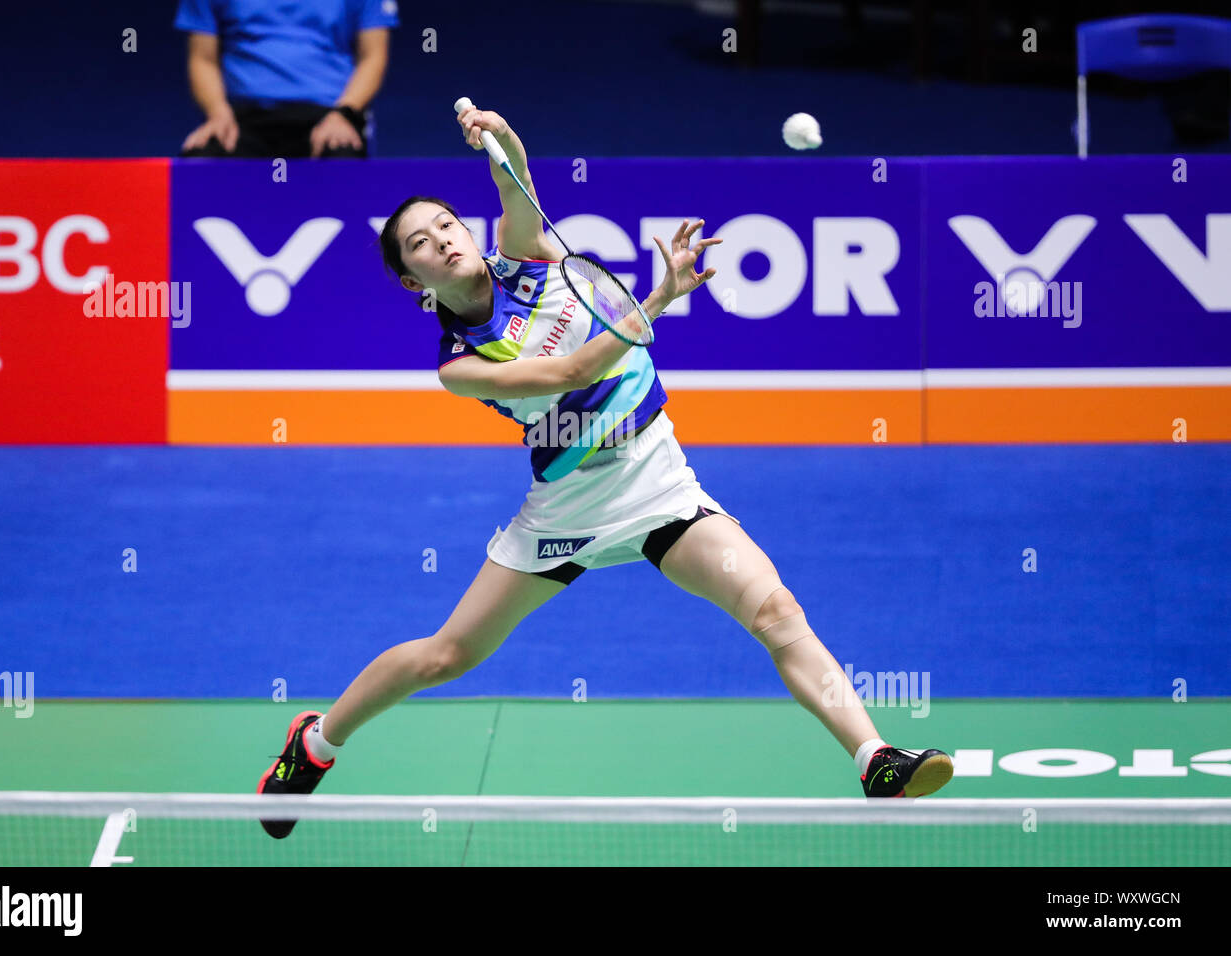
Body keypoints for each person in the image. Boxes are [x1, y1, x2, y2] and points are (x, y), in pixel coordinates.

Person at [256, 106, 954, 838]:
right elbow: (570, 371)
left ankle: (876, 760)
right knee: (447, 656)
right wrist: (657, 299)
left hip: (658, 479)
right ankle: (317, 741)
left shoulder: (525, 253)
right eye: (420, 244)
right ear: (412, 281)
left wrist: (497, 133)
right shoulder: (460, 365)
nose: (443, 241)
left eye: (447, 225)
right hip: (567, 509)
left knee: (775, 611)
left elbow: (514, 178)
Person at [174, 0, 399, 158]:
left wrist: (344, 114)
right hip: (239, 119)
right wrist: (217, 113)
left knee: (343, 164)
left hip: (328, 116)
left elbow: (373, 56)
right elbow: (203, 59)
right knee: (198, 164)